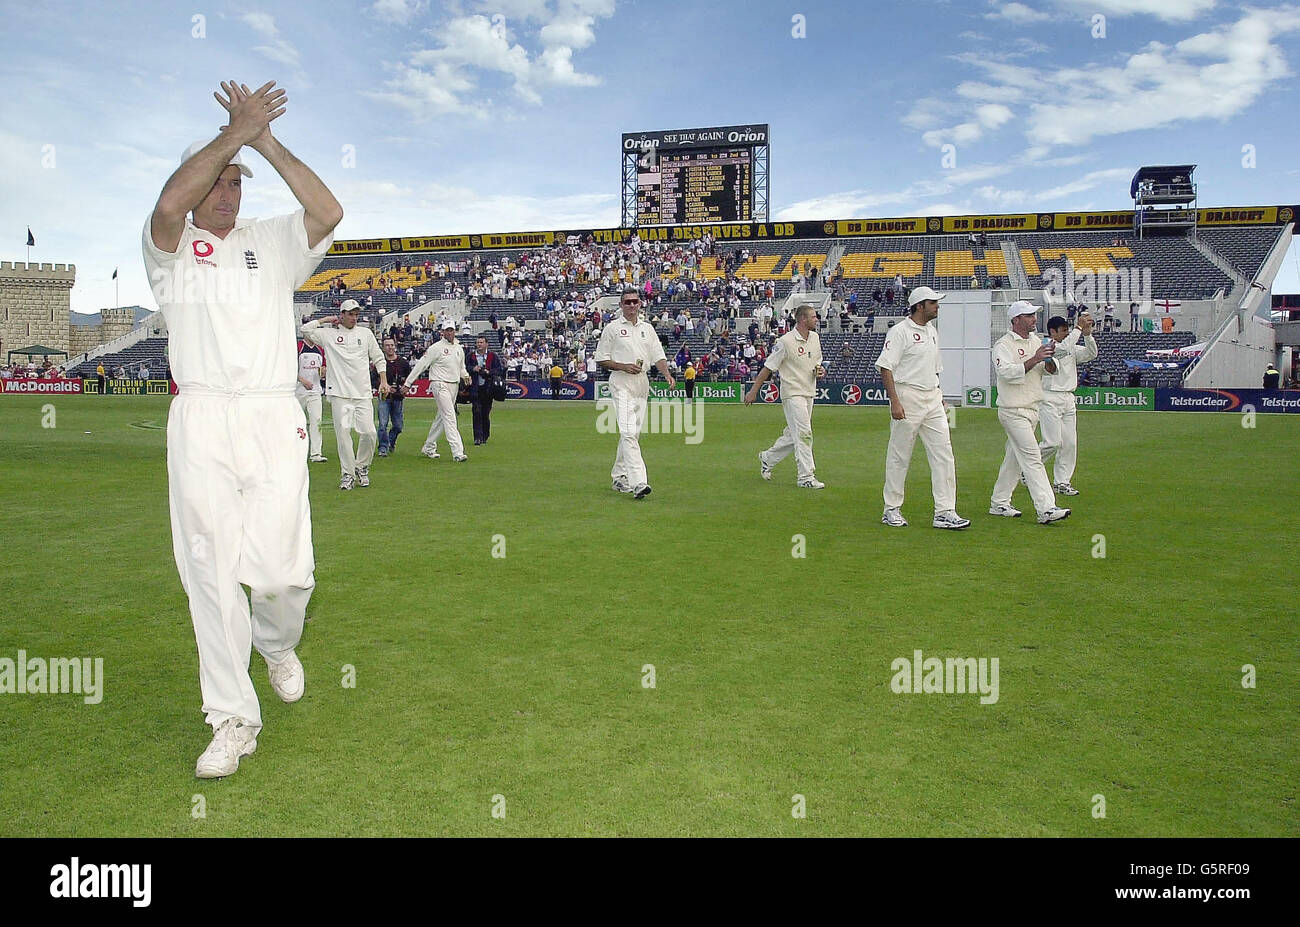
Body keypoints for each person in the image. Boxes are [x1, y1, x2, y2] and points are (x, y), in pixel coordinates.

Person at [143, 79, 342, 778]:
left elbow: (328, 208)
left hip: (269, 411)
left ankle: (276, 641)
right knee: (211, 575)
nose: (230, 192)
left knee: (287, 575)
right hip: (201, 417)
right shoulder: (169, 246)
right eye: (220, 180)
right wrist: (231, 133)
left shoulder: (272, 240)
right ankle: (231, 718)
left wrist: (263, 139)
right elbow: (170, 203)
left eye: (238, 182)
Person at [874, 287, 969, 529]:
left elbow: (934, 368)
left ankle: (945, 511)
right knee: (900, 455)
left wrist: (940, 395)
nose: (937, 307)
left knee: (944, 455)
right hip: (908, 396)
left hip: (932, 398)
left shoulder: (932, 331)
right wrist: (895, 401)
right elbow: (886, 367)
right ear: (919, 306)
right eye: (933, 303)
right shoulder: (900, 332)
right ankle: (891, 509)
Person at [990, 301, 1070, 524]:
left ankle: (999, 502)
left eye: (1034, 315)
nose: (1034, 319)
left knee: (1014, 459)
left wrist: (1049, 361)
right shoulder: (1003, 345)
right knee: (1032, 458)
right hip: (1012, 409)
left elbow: (1048, 370)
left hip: (1032, 407)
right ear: (1016, 320)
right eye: (1028, 316)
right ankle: (1046, 508)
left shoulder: (1036, 341)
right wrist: (1034, 358)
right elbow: (1005, 373)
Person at [595, 286, 675, 498]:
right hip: (621, 381)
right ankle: (639, 481)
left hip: (642, 382)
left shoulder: (647, 328)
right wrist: (623, 366)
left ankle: (619, 476)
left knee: (633, 433)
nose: (631, 305)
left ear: (640, 304)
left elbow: (658, 355)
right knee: (629, 432)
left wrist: (667, 374)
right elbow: (601, 358)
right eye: (627, 302)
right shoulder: (612, 328)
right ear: (621, 305)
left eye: (635, 301)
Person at [301, 300, 388, 489]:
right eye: (350, 314)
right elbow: (305, 330)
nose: (354, 318)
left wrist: (383, 380)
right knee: (343, 435)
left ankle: (361, 467)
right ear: (342, 315)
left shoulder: (365, 334)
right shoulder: (329, 334)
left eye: (356, 314)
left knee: (369, 433)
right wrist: (325, 319)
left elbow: (378, 357)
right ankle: (347, 474)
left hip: (362, 393)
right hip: (340, 394)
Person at [744, 303, 826, 489]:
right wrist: (753, 391)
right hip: (792, 393)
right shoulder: (786, 341)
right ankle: (805, 476)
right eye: (813, 317)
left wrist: (820, 372)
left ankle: (768, 458)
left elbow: (817, 363)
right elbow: (768, 367)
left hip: (808, 391)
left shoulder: (815, 338)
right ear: (803, 319)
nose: (816, 320)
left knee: (794, 434)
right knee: (804, 433)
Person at [1039, 312, 1098, 496]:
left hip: (1068, 398)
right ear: (1052, 332)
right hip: (1049, 397)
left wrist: (1087, 334)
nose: (1066, 333)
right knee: (1052, 442)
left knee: (1070, 444)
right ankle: (1027, 467)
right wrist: (1078, 328)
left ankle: (1062, 482)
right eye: (1063, 331)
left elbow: (1091, 353)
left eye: (1067, 330)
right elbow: (1063, 349)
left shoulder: (1070, 345)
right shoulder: (1047, 346)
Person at [404, 319, 470, 461]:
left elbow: (461, 367)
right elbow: (421, 365)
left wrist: (466, 376)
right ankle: (458, 452)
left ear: (455, 331)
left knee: (441, 417)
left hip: (454, 385)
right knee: (450, 416)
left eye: (451, 330)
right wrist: (408, 383)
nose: (450, 333)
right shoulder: (436, 348)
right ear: (442, 332)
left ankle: (428, 447)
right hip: (440, 384)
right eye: (447, 330)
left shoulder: (459, 348)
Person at [467, 335, 503, 445]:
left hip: (488, 389)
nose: (479, 344)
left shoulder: (493, 356)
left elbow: (499, 370)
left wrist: (489, 372)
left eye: (481, 342)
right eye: (478, 342)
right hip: (475, 388)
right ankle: (477, 437)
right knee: (476, 411)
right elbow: (464, 367)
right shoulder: (471, 355)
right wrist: (473, 369)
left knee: (485, 413)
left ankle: (485, 435)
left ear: (486, 344)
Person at [377, 337, 410, 457]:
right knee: (383, 424)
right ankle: (383, 447)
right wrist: (384, 386)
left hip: (398, 397)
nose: (390, 347)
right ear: (383, 348)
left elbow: (410, 376)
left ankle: (390, 441)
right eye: (387, 345)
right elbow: (373, 379)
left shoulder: (403, 362)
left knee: (398, 425)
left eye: (391, 345)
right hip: (384, 397)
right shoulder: (380, 363)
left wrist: (406, 386)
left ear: (395, 346)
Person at [295, 340, 327, 462]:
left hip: (315, 391)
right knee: (297, 422)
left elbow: (323, 368)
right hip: (298, 392)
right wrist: (302, 380)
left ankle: (316, 453)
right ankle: (296, 450)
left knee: (317, 422)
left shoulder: (320, 349)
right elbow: (290, 368)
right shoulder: (298, 347)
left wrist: (323, 373)